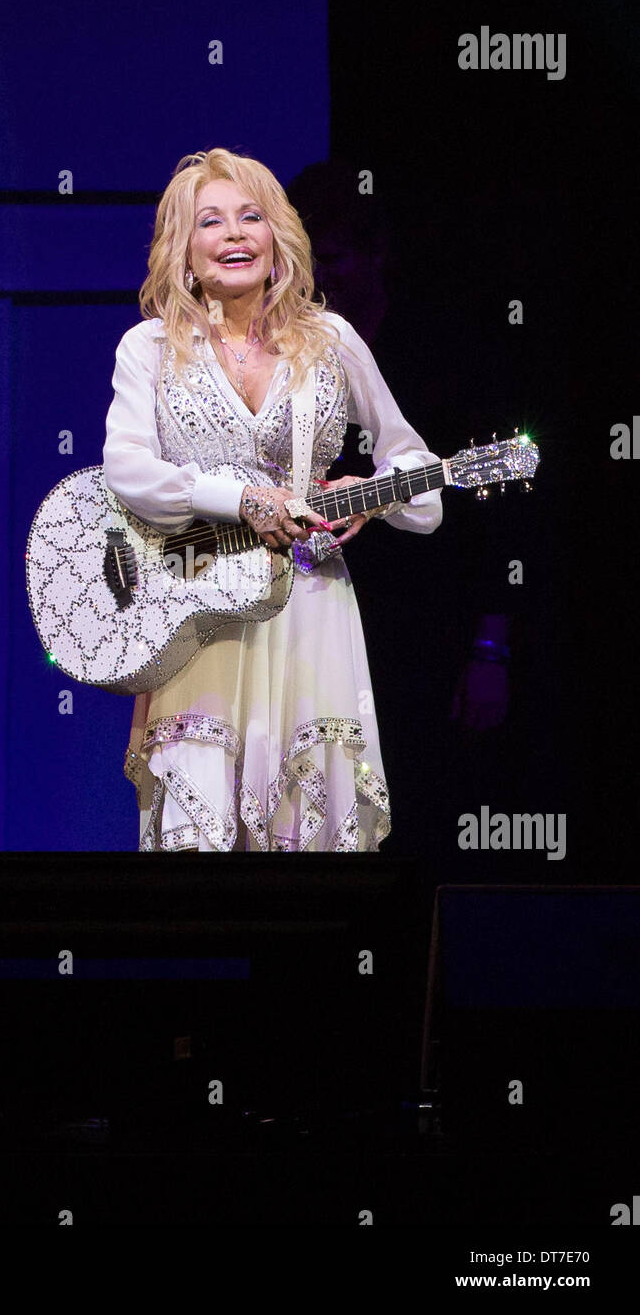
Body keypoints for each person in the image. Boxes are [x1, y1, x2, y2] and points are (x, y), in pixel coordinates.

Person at [102, 148, 443, 852]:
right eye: (211, 222)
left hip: (310, 615)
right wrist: (238, 499)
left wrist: (368, 496)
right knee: (200, 842)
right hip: (197, 612)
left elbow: (419, 477)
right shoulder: (150, 348)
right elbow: (127, 470)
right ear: (185, 254)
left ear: (276, 237)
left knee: (308, 847)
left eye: (251, 217)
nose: (234, 234)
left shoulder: (331, 341)